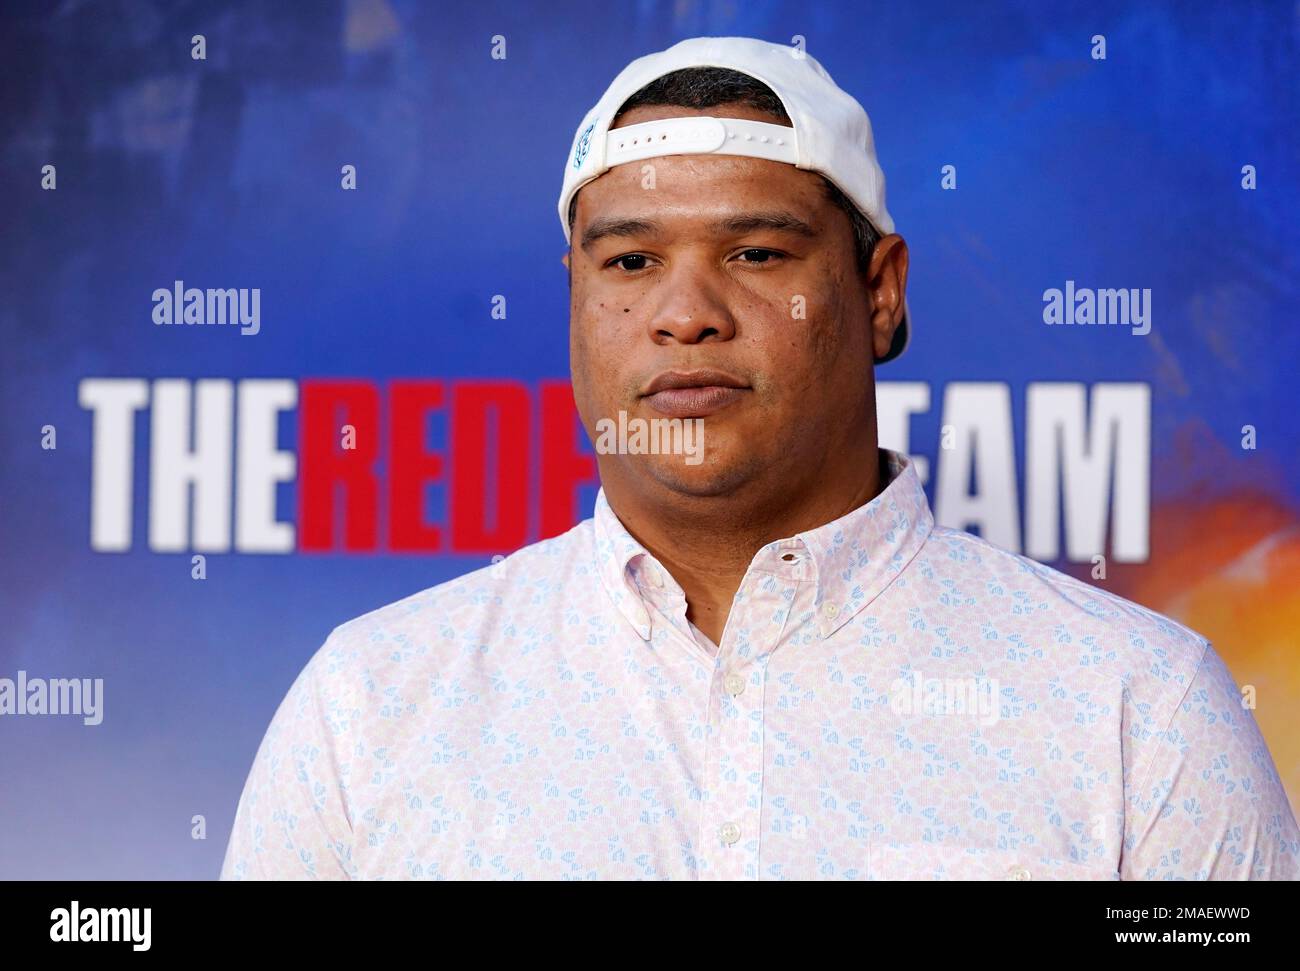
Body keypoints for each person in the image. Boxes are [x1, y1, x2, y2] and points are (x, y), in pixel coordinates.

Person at [220, 36, 1299, 880]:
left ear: (879, 291)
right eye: (631, 260)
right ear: (575, 297)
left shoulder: (1136, 709)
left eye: (755, 254)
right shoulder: (372, 700)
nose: (684, 312)